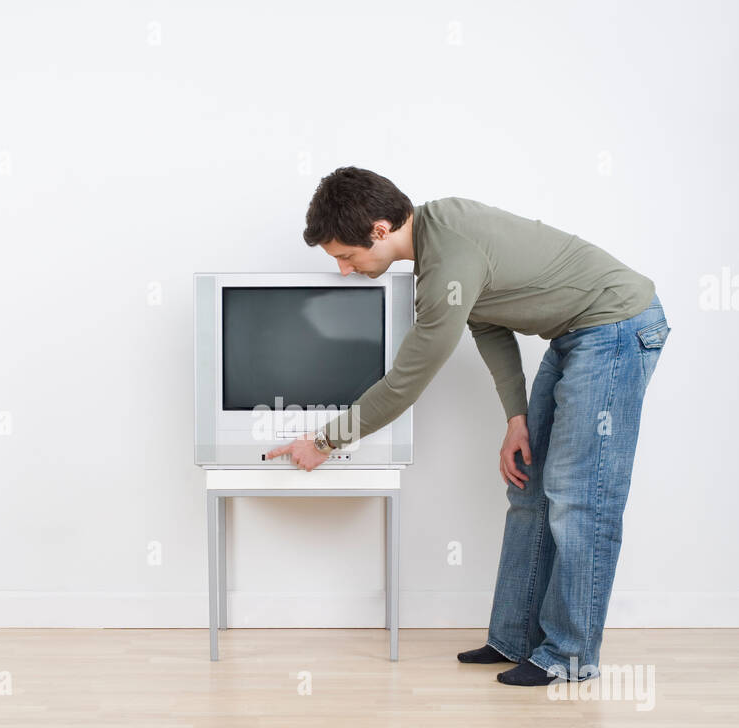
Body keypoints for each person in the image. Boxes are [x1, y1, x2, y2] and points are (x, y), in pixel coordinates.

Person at [267, 165, 670, 687]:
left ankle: (570, 656)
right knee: (529, 490)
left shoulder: (448, 260)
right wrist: (516, 418)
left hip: (614, 326)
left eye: (346, 256)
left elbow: (406, 382)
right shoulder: (440, 242)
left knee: (580, 497)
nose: (345, 271)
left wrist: (324, 441)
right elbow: (489, 321)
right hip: (575, 334)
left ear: (380, 230)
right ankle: (515, 637)